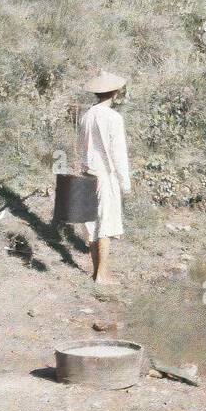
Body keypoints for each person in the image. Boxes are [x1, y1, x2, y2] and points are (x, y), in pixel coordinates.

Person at [77, 70, 131, 285]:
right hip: (104, 175)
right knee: (105, 223)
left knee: (91, 224)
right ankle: (102, 275)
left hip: (87, 172)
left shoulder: (87, 115)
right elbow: (118, 154)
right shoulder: (113, 118)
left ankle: (96, 272)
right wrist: (125, 183)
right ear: (115, 92)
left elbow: (81, 147)